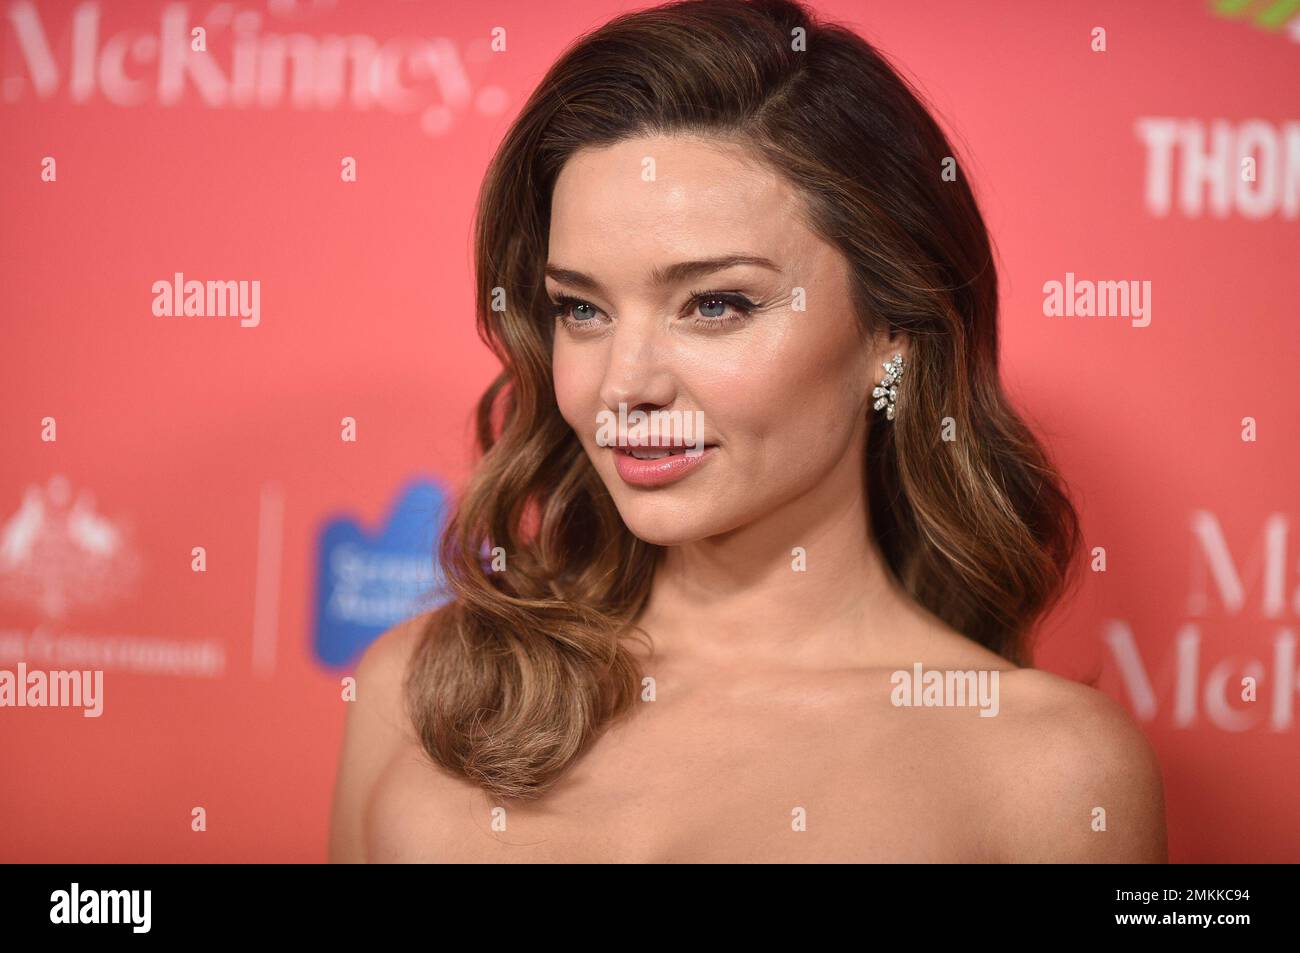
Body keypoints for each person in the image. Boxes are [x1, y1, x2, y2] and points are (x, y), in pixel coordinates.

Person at [329, 0, 1167, 863]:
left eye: (716, 304)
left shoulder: (1050, 770)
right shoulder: (419, 687)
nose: (623, 384)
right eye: (581, 308)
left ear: (892, 335)